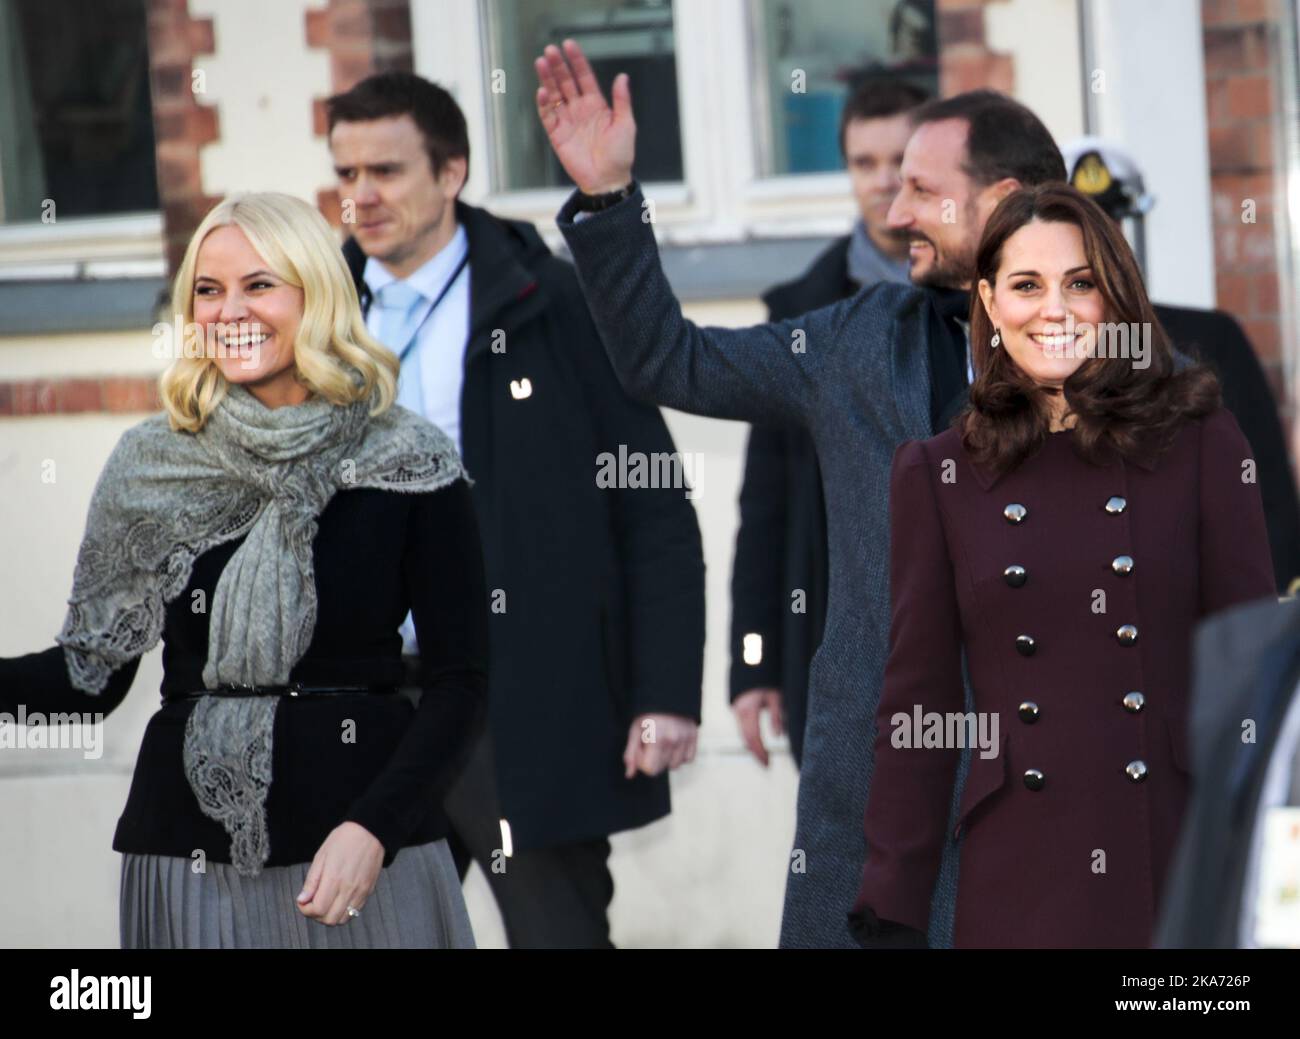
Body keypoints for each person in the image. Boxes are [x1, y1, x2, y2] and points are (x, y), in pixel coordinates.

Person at [533, 39, 1064, 948]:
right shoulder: (856, 340)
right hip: (872, 789)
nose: (892, 213)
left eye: (922, 192)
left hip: (1051, 789)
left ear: (1004, 202)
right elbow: (674, 358)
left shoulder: (1127, 374)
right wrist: (612, 202)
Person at [0, 192, 489, 948]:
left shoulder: (408, 457)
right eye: (208, 287)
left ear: (316, 294)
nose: (230, 308)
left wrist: (374, 826)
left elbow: (462, 682)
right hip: (192, 870)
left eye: (260, 284)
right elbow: (87, 678)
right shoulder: (150, 466)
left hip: (368, 859)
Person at [326, 71, 706, 949]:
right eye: (345, 175)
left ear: (451, 171)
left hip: (524, 703)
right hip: (370, 705)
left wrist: (664, 692)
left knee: (557, 938)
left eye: (385, 170)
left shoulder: (555, 300)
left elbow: (652, 504)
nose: (361, 197)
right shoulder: (316, 315)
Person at [848, 183, 1275, 948]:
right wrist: (892, 898)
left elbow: (1251, 668)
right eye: (1026, 285)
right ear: (987, 300)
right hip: (1021, 870)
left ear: (1116, 299)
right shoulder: (938, 471)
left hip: (1174, 852)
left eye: (1081, 283)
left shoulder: (1202, 442)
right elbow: (919, 698)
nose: (1056, 308)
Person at [731, 77, 927, 770]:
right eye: (862, 162)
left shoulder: (993, 298)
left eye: (900, 161)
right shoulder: (801, 312)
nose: (882, 182)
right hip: (833, 638)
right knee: (849, 859)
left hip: (970, 643)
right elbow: (766, 503)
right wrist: (753, 663)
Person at [1061, 137, 1300, 594]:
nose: (1096, 247)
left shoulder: (1207, 337)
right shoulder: (1038, 342)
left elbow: (1259, 482)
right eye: (1077, 228)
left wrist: (1276, 600)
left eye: (1108, 225)